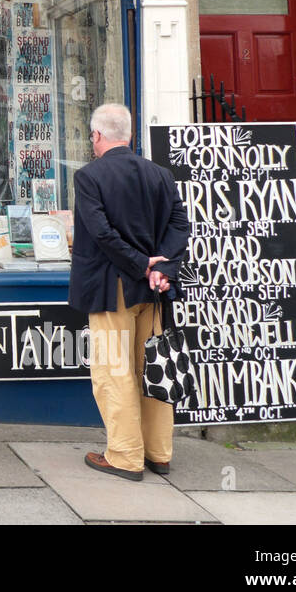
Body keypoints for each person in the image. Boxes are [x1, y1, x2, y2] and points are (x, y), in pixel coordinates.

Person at [68, 103, 189, 482]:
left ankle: (124, 455)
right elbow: (180, 226)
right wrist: (161, 268)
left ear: (98, 135)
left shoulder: (90, 176)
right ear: (130, 135)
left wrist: (142, 265)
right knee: (152, 367)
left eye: (92, 135)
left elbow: (102, 234)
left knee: (115, 370)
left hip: (113, 287)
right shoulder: (160, 174)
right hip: (153, 290)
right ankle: (158, 452)